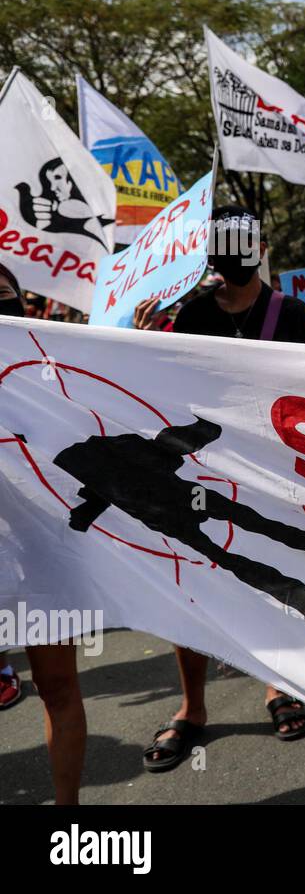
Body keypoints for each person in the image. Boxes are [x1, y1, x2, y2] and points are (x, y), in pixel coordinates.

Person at [132, 206, 305, 772]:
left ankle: (274, 683)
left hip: (269, 476)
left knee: (265, 577)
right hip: (197, 472)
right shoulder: (189, 315)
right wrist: (140, 346)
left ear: (259, 245)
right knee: (191, 581)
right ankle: (192, 708)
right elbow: (158, 393)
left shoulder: (293, 314)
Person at [0, 261, 87, 803]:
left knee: (56, 686)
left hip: (39, 552)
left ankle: (68, 816)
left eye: (2, 293)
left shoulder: (51, 372)